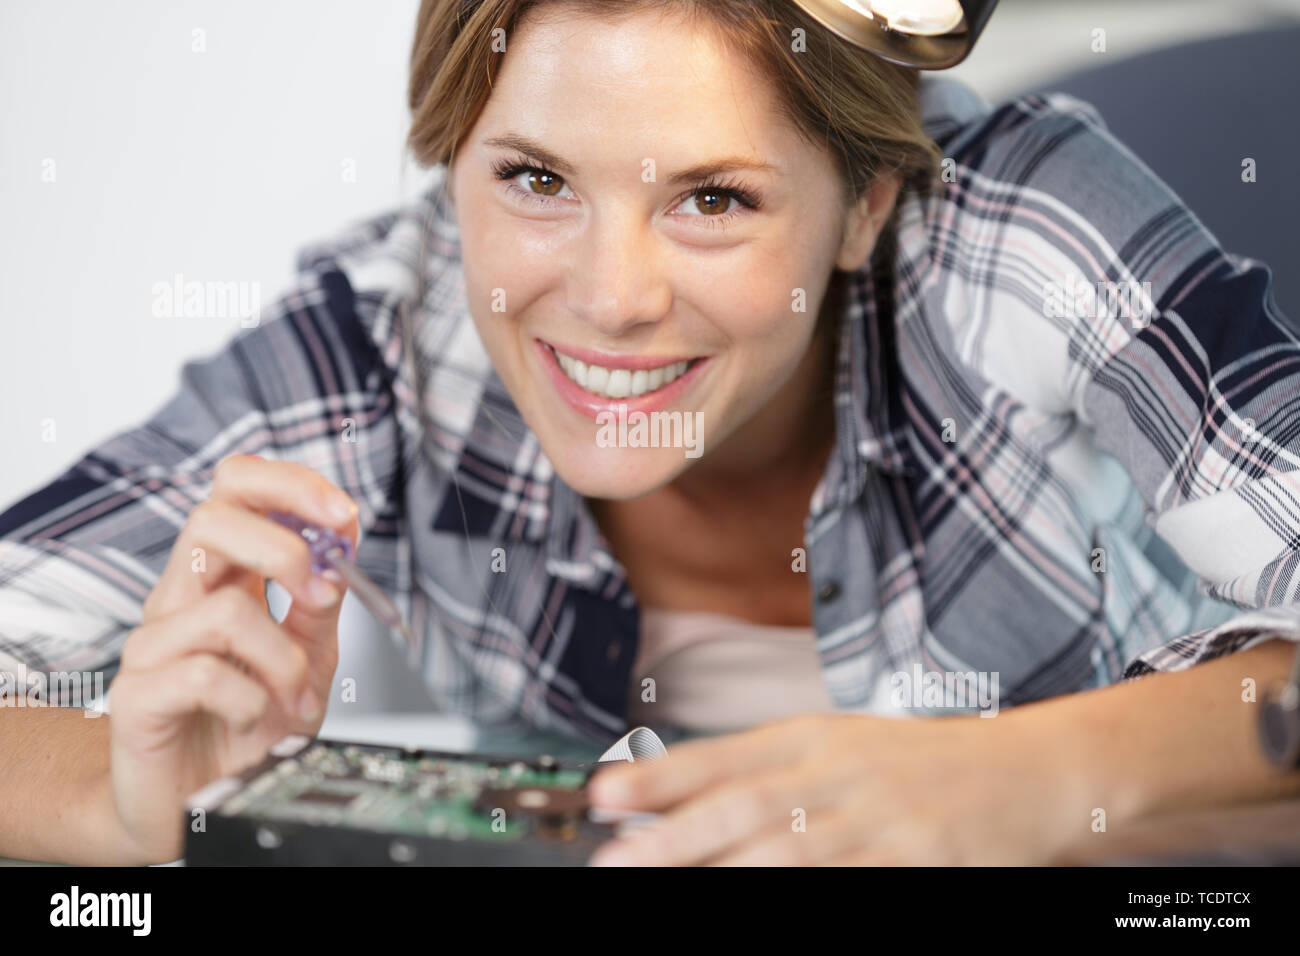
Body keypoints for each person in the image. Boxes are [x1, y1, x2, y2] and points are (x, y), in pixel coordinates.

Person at [2, 0, 1298, 866]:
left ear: (862, 209)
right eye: (536, 178)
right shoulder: (378, 335)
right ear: (452, 165)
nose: (612, 298)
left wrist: (1017, 780)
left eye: (714, 199)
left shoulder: (1019, 230)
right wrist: (148, 806)